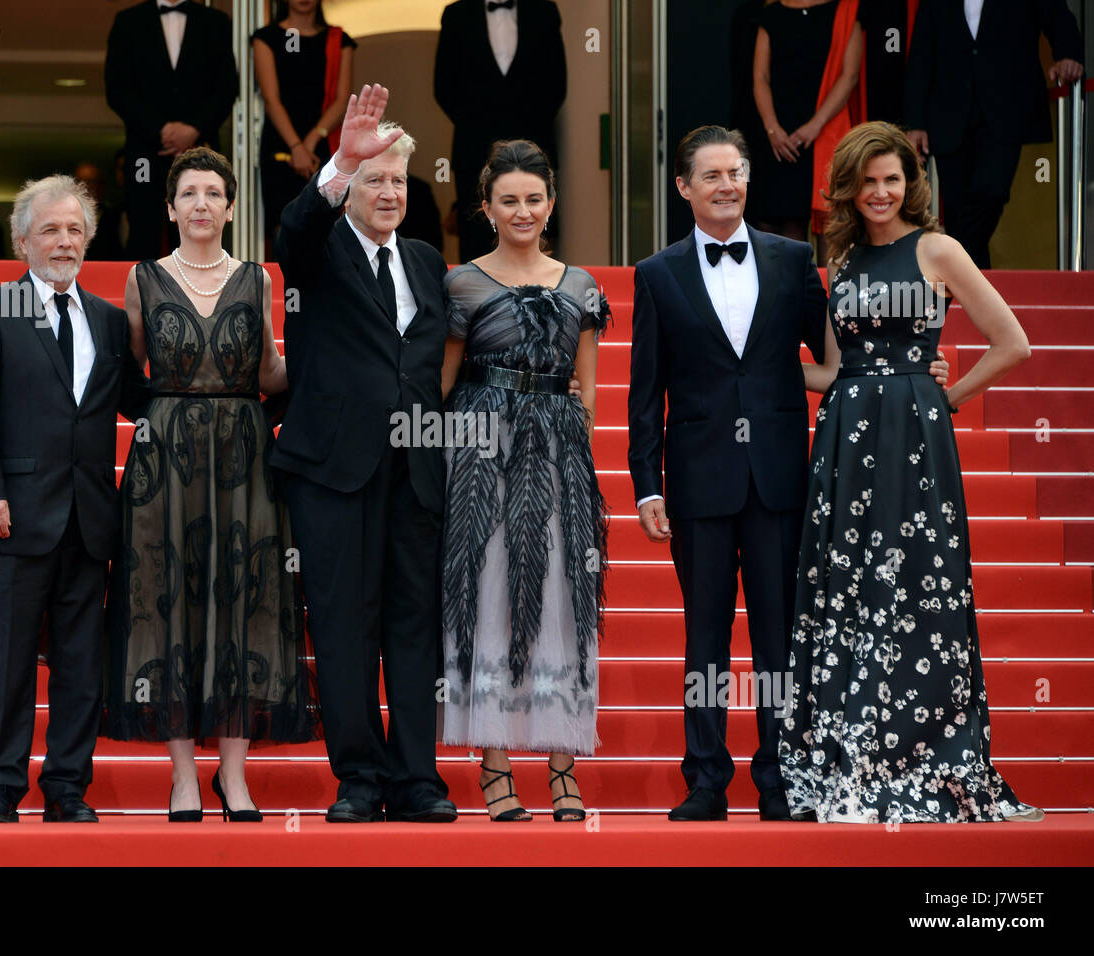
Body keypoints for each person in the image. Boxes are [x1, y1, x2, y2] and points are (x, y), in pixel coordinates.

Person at [626, 125, 949, 822]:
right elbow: (644, 392)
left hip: (779, 478)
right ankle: (705, 779)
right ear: (684, 187)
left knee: (781, 638)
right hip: (697, 479)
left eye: (735, 172)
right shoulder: (656, 274)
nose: (726, 185)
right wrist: (646, 484)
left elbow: (843, 354)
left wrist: (917, 368)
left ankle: (782, 778)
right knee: (704, 637)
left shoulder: (794, 258)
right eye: (710, 175)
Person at [778, 121, 1042, 823]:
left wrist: (945, 396)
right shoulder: (837, 255)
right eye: (867, 181)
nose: (880, 192)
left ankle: (923, 752)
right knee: (851, 587)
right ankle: (851, 750)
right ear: (848, 188)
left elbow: (1011, 341)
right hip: (845, 437)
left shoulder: (939, 248)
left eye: (892, 179)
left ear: (909, 183)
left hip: (915, 439)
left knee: (919, 586)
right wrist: (756, 369)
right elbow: (832, 370)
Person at [101, 147, 318, 821]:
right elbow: (128, 375)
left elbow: (272, 370)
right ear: (169, 208)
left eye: (212, 193)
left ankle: (234, 773)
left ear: (230, 207)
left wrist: (324, 360)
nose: (200, 203)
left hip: (246, 457)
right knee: (168, 601)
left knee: (246, 600)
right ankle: (184, 775)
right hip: (165, 458)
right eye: (188, 193)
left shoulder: (257, 279)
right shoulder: (143, 277)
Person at [272, 84, 456, 824]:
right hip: (333, 471)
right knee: (345, 624)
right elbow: (293, 234)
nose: (388, 191)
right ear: (350, 188)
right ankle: (359, 778)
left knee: (414, 626)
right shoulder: (317, 252)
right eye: (373, 178)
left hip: (416, 471)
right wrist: (340, 161)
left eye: (396, 179)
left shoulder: (424, 261)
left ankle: (418, 779)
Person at [0, 175, 152, 824]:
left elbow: (137, 403)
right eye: (49, 230)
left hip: (92, 520)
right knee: (7, 663)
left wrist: (215, 403)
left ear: (89, 237)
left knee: (80, 666)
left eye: (73, 229)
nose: (63, 241)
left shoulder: (106, 319)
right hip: (16, 519)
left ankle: (67, 786)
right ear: (22, 242)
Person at [439, 139, 608, 822]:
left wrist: (571, 454)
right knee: (487, 592)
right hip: (479, 451)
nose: (522, 210)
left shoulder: (580, 285)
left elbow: (589, 397)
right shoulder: (461, 283)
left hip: (558, 451)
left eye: (533, 199)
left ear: (552, 203)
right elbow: (443, 384)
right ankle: (495, 765)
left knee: (563, 595)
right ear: (486, 207)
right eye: (508, 200)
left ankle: (563, 763)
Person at [905, 0, 1084, 269]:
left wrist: (1068, 55)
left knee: (992, 192)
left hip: (1006, 110)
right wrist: (915, 122)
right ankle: (970, 291)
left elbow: (1057, 15)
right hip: (948, 115)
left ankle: (946, 259)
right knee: (957, 207)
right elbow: (921, 51)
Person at [434, 0, 567, 263]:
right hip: (474, 150)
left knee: (536, 230)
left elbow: (556, 85)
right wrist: (476, 124)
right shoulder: (456, 15)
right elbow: (444, 87)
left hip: (534, 148)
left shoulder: (545, 11)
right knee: (476, 235)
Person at [105, 0, 239, 260]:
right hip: (146, 150)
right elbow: (117, 89)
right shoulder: (127, 21)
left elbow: (226, 88)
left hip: (202, 149)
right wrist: (161, 129)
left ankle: (204, 298)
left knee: (202, 226)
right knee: (143, 230)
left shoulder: (217, 22)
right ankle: (143, 298)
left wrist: (194, 129)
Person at [251, 0, 356, 257]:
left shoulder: (339, 40)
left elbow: (342, 100)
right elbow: (271, 98)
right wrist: (295, 146)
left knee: (327, 226)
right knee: (282, 228)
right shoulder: (266, 38)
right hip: (280, 144)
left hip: (323, 142)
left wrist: (308, 144)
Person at [752, 0, 862, 241]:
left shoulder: (844, 11)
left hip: (825, 127)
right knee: (773, 221)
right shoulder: (772, 13)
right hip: (777, 131)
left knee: (830, 222)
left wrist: (815, 125)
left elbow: (850, 75)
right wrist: (772, 128)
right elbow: (760, 76)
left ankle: (823, 280)